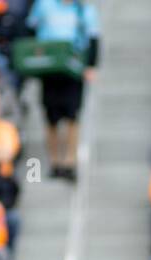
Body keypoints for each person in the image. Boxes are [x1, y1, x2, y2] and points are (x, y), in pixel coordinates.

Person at [27, 0, 100, 180]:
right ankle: (55, 161)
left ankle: (70, 161)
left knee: (72, 115)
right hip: (50, 65)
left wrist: (91, 65)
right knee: (50, 116)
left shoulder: (84, 10)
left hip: (73, 66)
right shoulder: (44, 4)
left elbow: (93, 38)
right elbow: (30, 28)